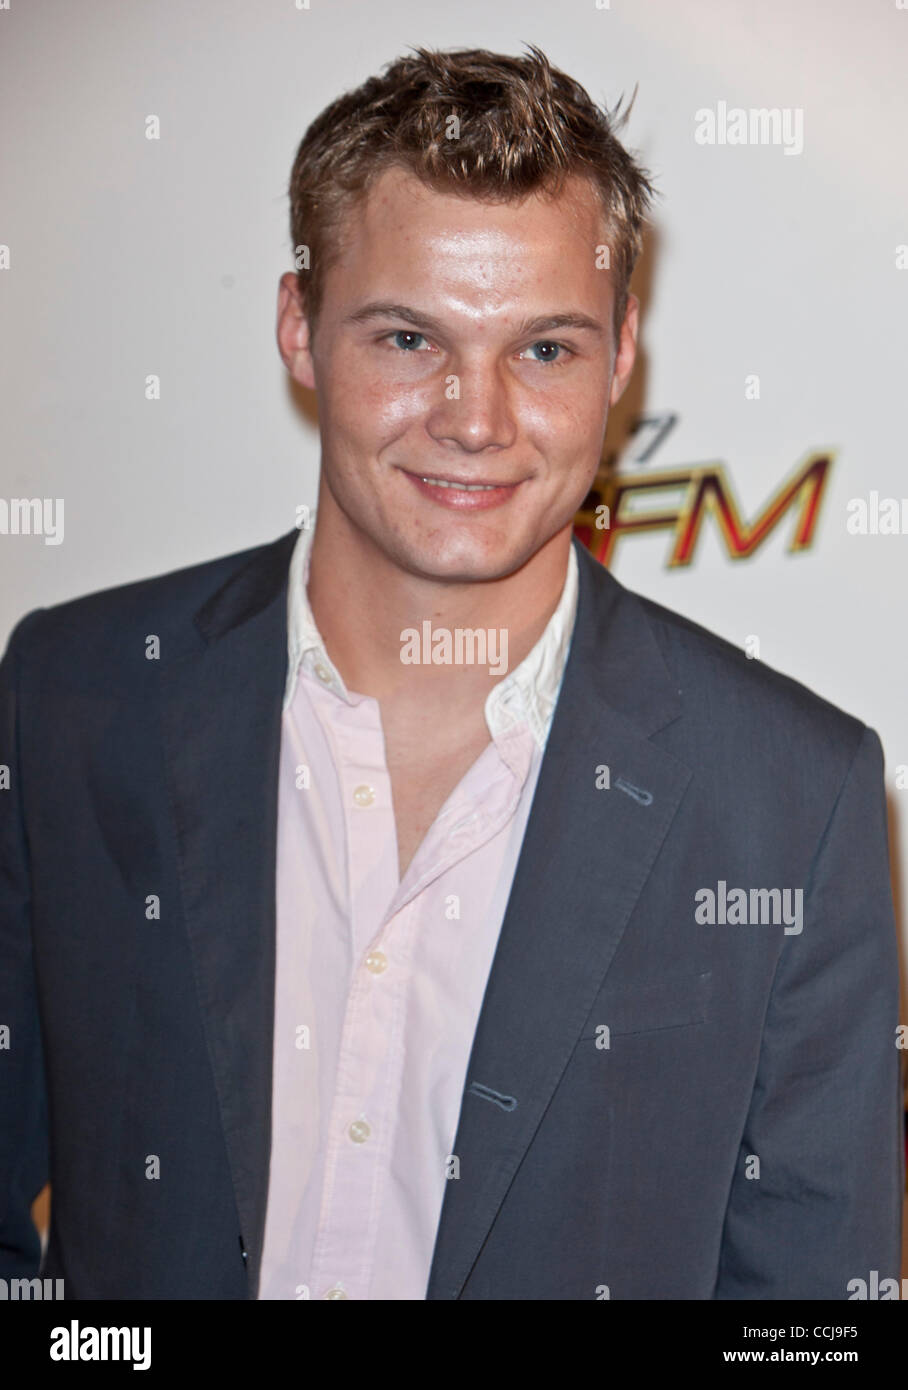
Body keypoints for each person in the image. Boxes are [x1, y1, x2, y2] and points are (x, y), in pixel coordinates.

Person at [0, 45, 902, 1301]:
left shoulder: (788, 798)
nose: (474, 418)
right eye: (409, 335)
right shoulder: (74, 697)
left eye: (543, 350)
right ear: (298, 327)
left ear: (620, 354)